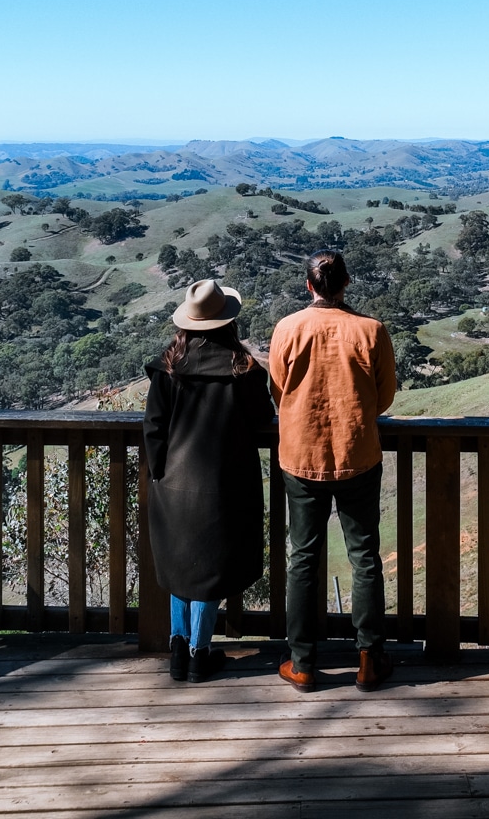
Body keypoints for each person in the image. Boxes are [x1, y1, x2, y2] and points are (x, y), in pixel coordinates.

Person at [269, 249, 398, 693]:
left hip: (301, 456)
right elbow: (384, 397)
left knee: (302, 558)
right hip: (357, 453)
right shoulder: (371, 330)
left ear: (309, 286)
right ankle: (369, 658)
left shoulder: (287, 328)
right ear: (346, 284)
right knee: (365, 556)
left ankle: (302, 662)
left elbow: (278, 390)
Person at [142, 278, 275, 683]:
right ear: (227, 322)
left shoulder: (169, 366)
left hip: (173, 485)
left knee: (181, 564)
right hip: (225, 483)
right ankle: (200, 651)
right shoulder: (243, 369)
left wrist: (159, 472)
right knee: (210, 566)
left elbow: (154, 427)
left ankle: (178, 649)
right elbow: (259, 422)